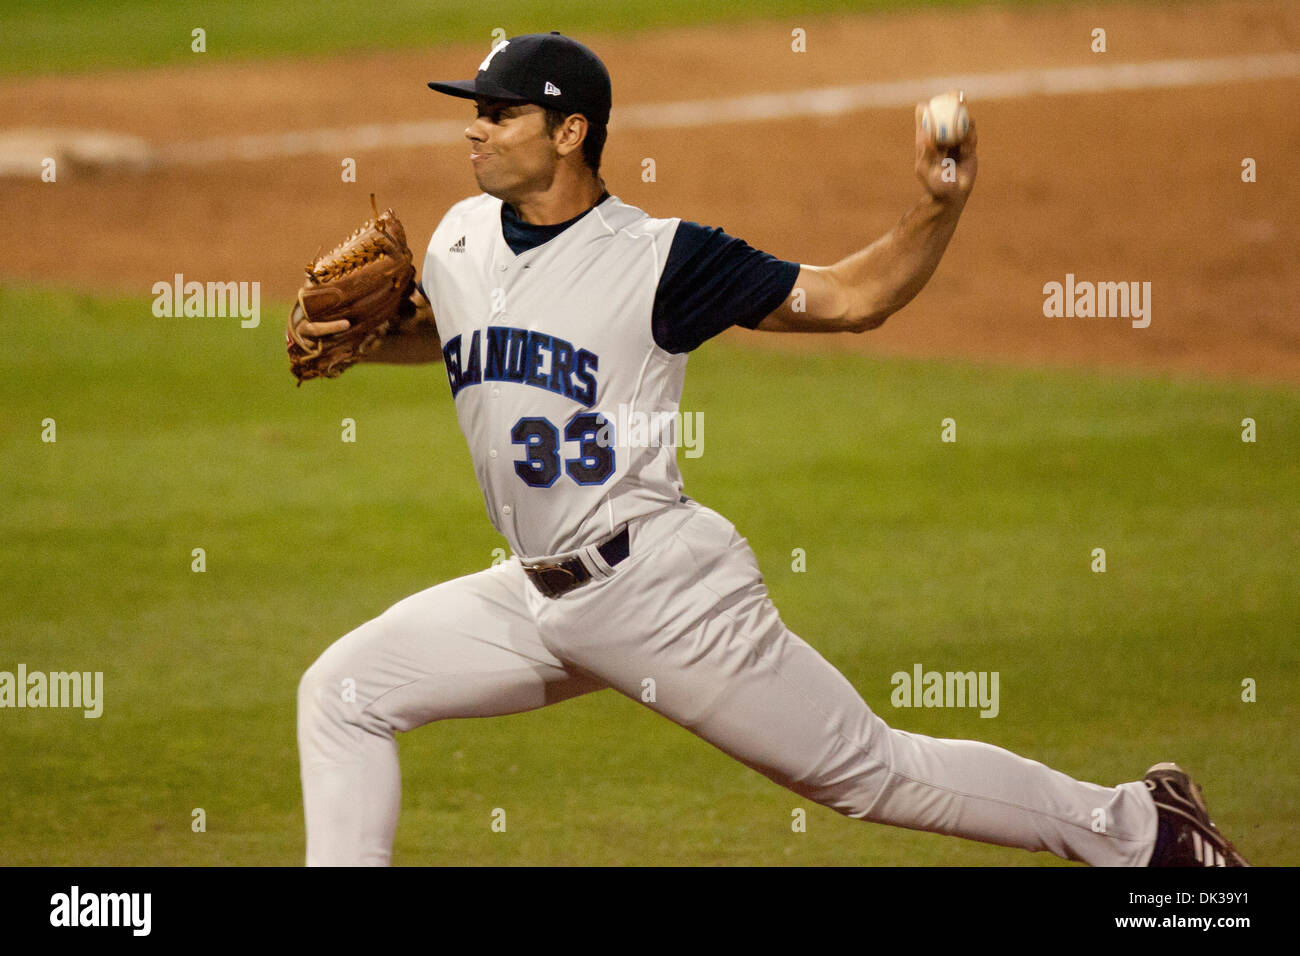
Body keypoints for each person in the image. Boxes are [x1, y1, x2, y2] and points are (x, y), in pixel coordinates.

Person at [294, 32, 1248, 867]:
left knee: (867, 774)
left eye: (498, 115)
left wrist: (936, 206)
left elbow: (850, 298)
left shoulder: (663, 258)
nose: (474, 129)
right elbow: (468, 342)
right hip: (532, 595)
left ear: (570, 130)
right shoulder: (461, 237)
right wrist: (375, 340)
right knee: (342, 692)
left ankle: (1141, 830)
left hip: (655, 593)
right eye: (475, 112)